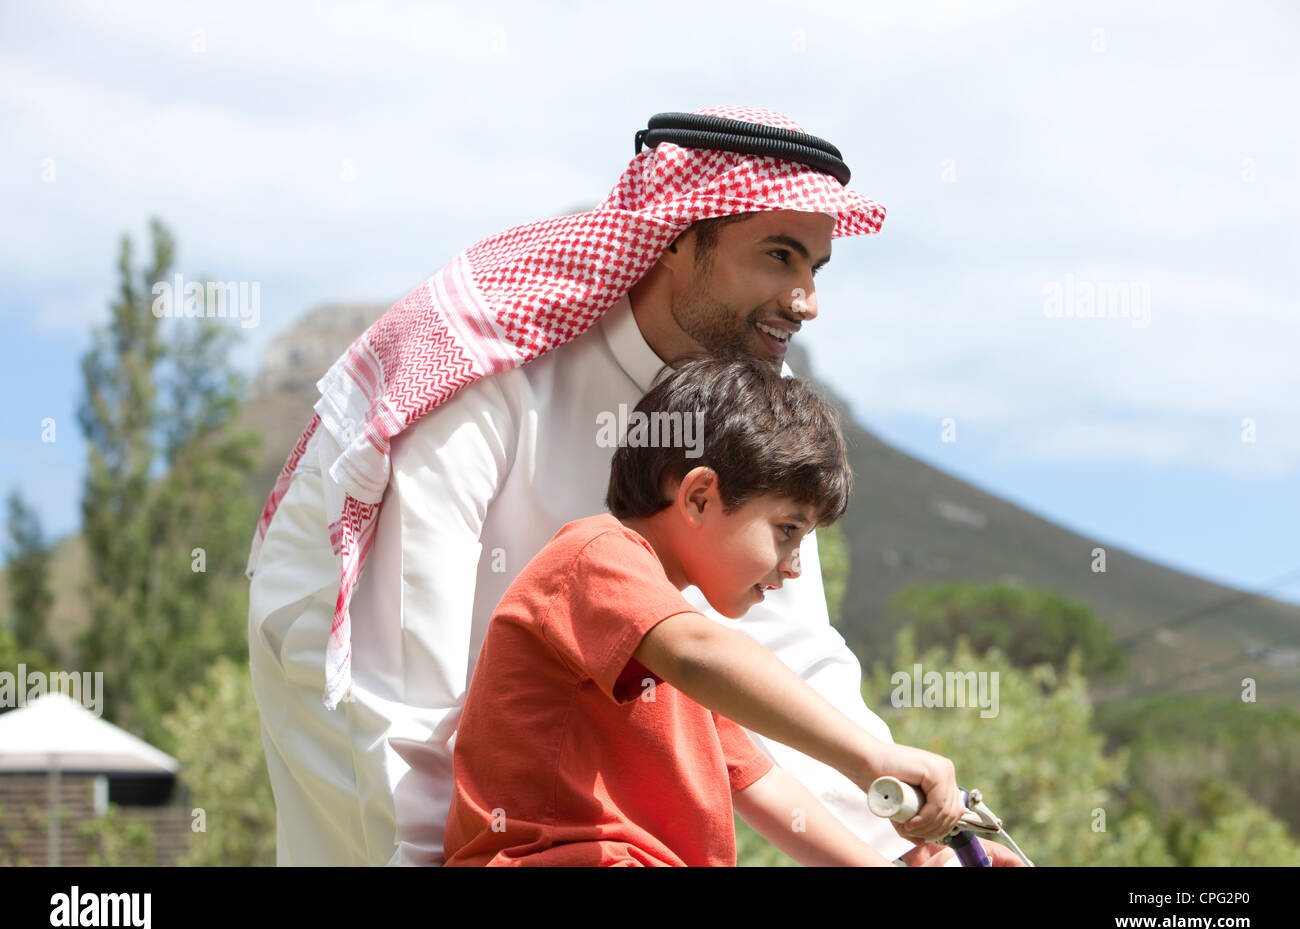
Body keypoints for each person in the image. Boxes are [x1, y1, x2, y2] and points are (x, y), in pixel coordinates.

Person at [246, 104, 1023, 866]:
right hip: (345, 641)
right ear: (679, 238)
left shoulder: (739, 423)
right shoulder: (488, 369)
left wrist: (917, 848)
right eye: (779, 256)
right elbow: (408, 680)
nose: (806, 301)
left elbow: (786, 658)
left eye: (815, 269)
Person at [444, 352, 977, 866]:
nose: (794, 567)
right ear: (699, 496)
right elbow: (699, 652)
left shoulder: (675, 652)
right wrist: (872, 760)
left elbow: (764, 787)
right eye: (787, 531)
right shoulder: (597, 558)